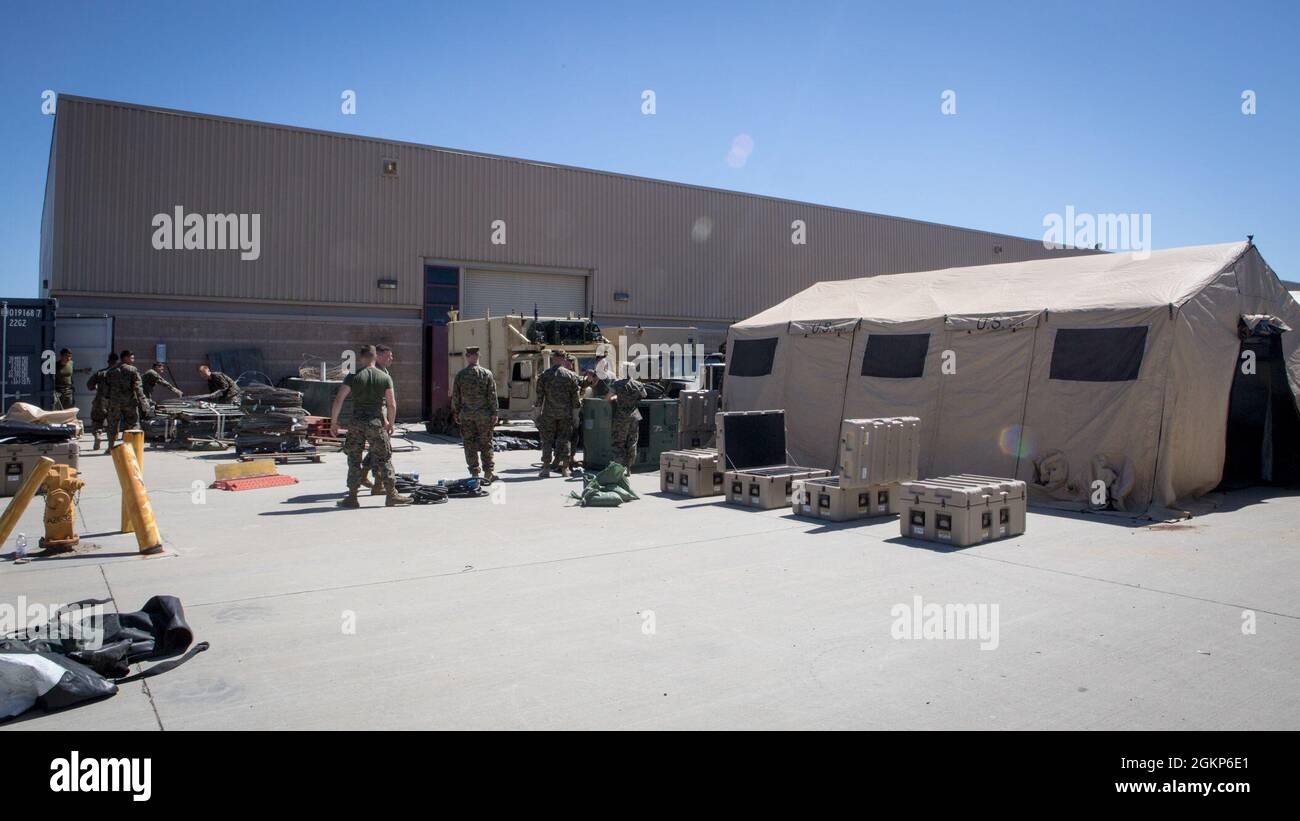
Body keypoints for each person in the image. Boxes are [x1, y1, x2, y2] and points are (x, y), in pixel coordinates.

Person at [330, 344, 410, 508]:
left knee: (354, 458)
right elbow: (392, 404)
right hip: (376, 422)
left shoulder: (353, 376)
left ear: (361, 358)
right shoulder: (384, 377)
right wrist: (391, 423)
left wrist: (334, 422)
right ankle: (390, 495)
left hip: (356, 422)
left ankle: (352, 497)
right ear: (375, 357)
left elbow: (339, 399)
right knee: (384, 458)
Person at [451, 346, 499, 482]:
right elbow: (492, 395)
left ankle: (474, 473)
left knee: (469, 444)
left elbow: (456, 396)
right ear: (478, 356)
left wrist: (457, 412)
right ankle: (488, 472)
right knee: (486, 443)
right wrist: (494, 412)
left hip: (467, 416)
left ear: (467, 357)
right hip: (484, 416)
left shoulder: (460, 375)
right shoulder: (486, 374)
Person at [534, 349, 581, 478]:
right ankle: (565, 468)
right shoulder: (571, 376)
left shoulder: (544, 375)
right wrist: (576, 415)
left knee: (547, 441)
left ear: (553, 358)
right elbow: (575, 399)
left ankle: (546, 469)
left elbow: (539, 398)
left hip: (549, 413)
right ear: (564, 359)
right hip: (565, 414)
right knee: (564, 440)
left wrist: (536, 415)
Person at [103, 350, 147, 451]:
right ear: (125, 358)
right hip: (129, 402)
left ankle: (110, 447)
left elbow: (106, 388)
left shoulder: (111, 371)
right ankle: (130, 447)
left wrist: (107, 401)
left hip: (114, 402)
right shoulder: (132, 370)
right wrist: (143, 402)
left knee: (113, 424)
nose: (133, 360)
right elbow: (138, 387)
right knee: (133, 423)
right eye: (131, 358)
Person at [608, 361, 647, 468]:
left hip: (621, 416)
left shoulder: (617, 384)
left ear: (623, 371)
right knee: (632, 442)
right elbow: (644, 395)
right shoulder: (638, 384)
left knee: (618, 442)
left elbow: (608, 397)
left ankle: (619, 467)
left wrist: (615, 398)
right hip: (634, 415)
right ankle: (629, 467)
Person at [86, 352, 118, 450]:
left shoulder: (100, 373)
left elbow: (89, 385)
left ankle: (97, 436)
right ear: (117, 362)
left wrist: (96, 387)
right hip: (114, 402)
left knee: (97, 421)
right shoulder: (119, 374)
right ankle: (110, 446)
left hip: (100, 400)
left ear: (108, 361)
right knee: (113, 423)